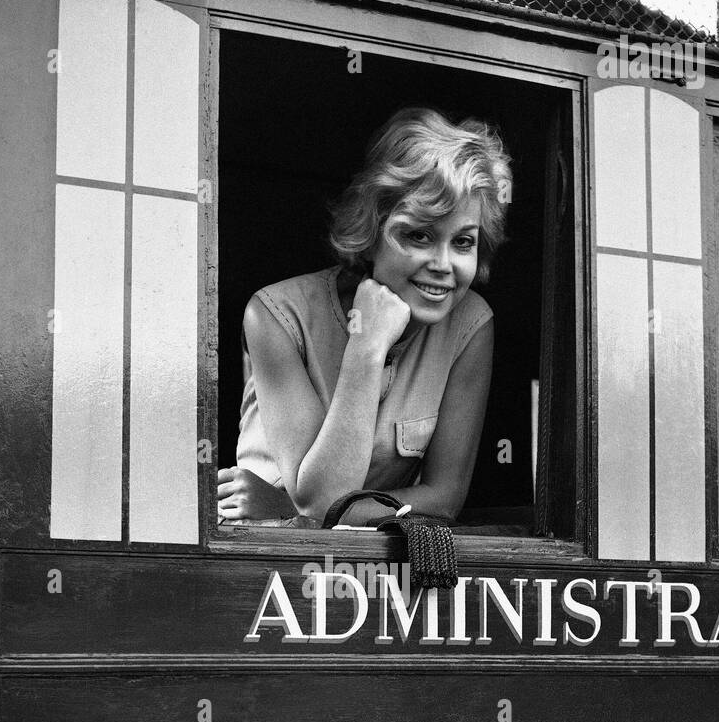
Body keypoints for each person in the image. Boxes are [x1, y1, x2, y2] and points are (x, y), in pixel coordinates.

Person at [218, 106, 511, 527]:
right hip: (261, 554)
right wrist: (368, 344)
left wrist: (290, 509)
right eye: (419, 235)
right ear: (372, 231)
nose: (443, 264)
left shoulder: (470, 325)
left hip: (371, 553)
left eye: (463, 242)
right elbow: (323, 500)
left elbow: (443, 500)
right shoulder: (274, 315)